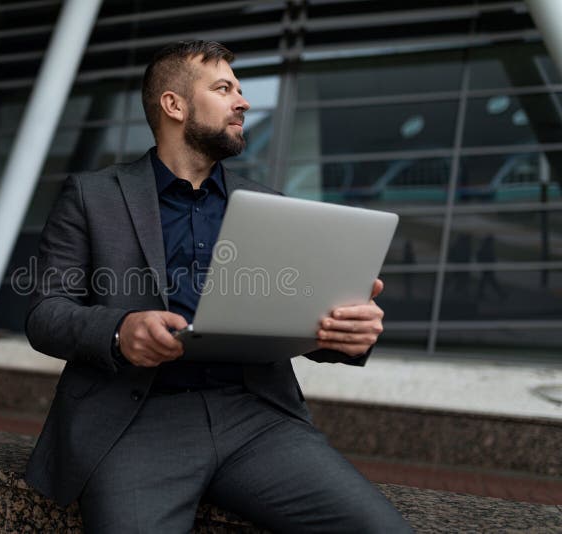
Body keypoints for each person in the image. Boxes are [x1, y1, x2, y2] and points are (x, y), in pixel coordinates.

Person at [24, 40, 412, 533]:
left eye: (241, 90)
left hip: (256, 418)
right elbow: (45, 313)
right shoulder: (91, 195)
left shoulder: (270, 204)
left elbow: (294, 319)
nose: (243, 102)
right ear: (174, 105)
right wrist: (121, 330)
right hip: (135, 421)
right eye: (224, 88)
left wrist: (345, 335)